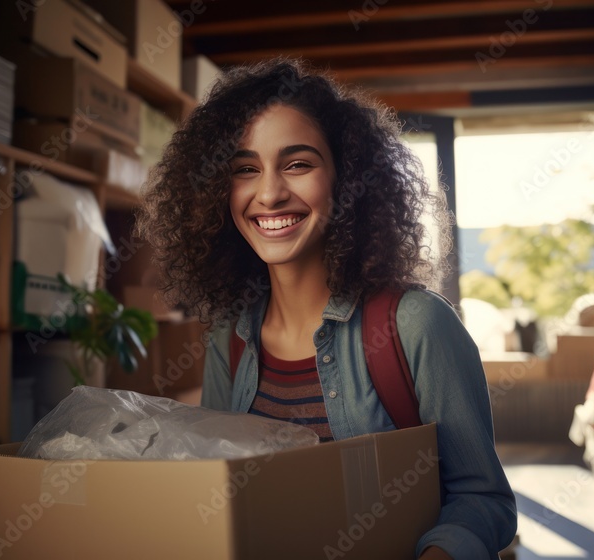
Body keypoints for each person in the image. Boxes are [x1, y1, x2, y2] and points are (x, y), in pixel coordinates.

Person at [138, 58, 517, 559]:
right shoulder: (229, 337)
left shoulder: (416, 324)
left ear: (346, 177)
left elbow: (483, 499)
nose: (269, 193)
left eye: (297, 164)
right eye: (245, 169)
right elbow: (219, 489)